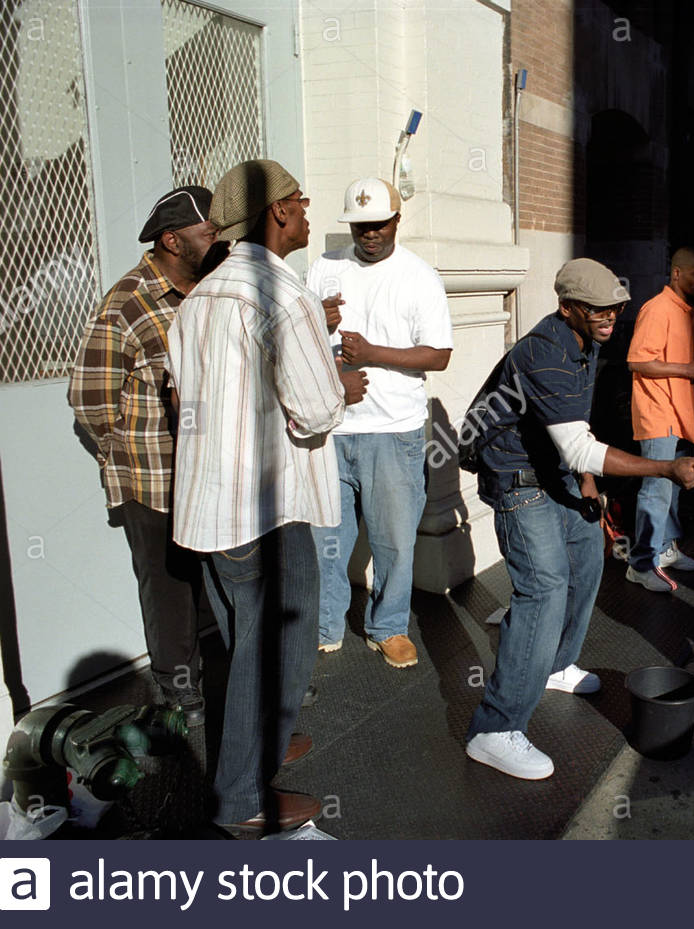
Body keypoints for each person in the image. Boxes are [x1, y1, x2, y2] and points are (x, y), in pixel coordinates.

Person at [166, 159, 368, 833]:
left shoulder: (197, 297)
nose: (310, 215)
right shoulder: (284, 296)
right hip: (266, 508)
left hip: (210, 505)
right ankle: (242, 799)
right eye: (303, 203)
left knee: (243, 644)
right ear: (278, 213)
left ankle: (262, 746)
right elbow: (313, 411)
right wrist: (345, 389)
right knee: (275, 648)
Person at [465, 258, 694, 780]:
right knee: (544, 589)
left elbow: (574, 428)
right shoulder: (544, 352)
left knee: (588, 559)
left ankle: (554, 665)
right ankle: (494, 728)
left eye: (616, 309)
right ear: (568, 307)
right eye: (597, 310)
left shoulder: (589, 343)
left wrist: (590, 490)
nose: (610, 318)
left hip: (553, 467)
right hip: (513, 476)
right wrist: (665, 467)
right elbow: (579, 446)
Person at [69, 186, 219, 727]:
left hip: (214, 475)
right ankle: (182, 694)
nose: (220, 239)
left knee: (225, 581)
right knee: (169, 590)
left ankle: (240, 682)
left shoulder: (210, 291)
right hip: (154, 481)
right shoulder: (126, 304)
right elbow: (90, 401)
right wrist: (128, 456)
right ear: (171, 239)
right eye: (209, 232)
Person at [306, 177, 453, 667]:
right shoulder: (324, 267)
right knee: (326, 536)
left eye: (378, 225)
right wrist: (314, 323)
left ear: (396, 220)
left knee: (394, 540)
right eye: (360, 226)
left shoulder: (419, 276)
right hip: (329, 427)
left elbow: (439, 355)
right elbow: (294, 340)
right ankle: (326, 625)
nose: (369, 234)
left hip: (393, 430)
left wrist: (372, 354)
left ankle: (388, 626)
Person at [625, 247, 694, 593]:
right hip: (660, 412)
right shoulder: (658, 309)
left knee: (674, 486)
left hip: (681, 412)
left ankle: (664, 549)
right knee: (656, 489)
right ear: (677, 273)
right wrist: (687, 369)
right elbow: (636, 362)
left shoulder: (683, 311)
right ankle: (641, 564)